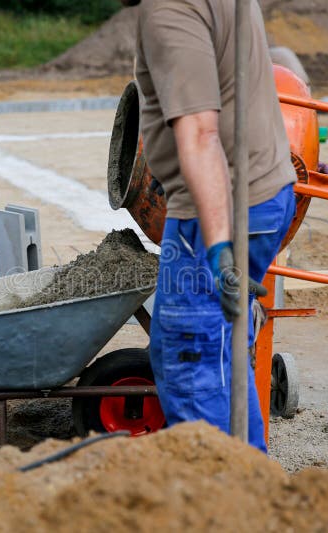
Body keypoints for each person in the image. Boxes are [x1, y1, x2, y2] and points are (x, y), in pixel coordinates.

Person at [124, 0, 296, 452]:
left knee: (191, 368)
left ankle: (230, 507)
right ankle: (253, 485)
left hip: (218, 212)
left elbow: (200, 131)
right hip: (259, 193)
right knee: (217, 357)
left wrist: (218, 247)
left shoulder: (167, 9)